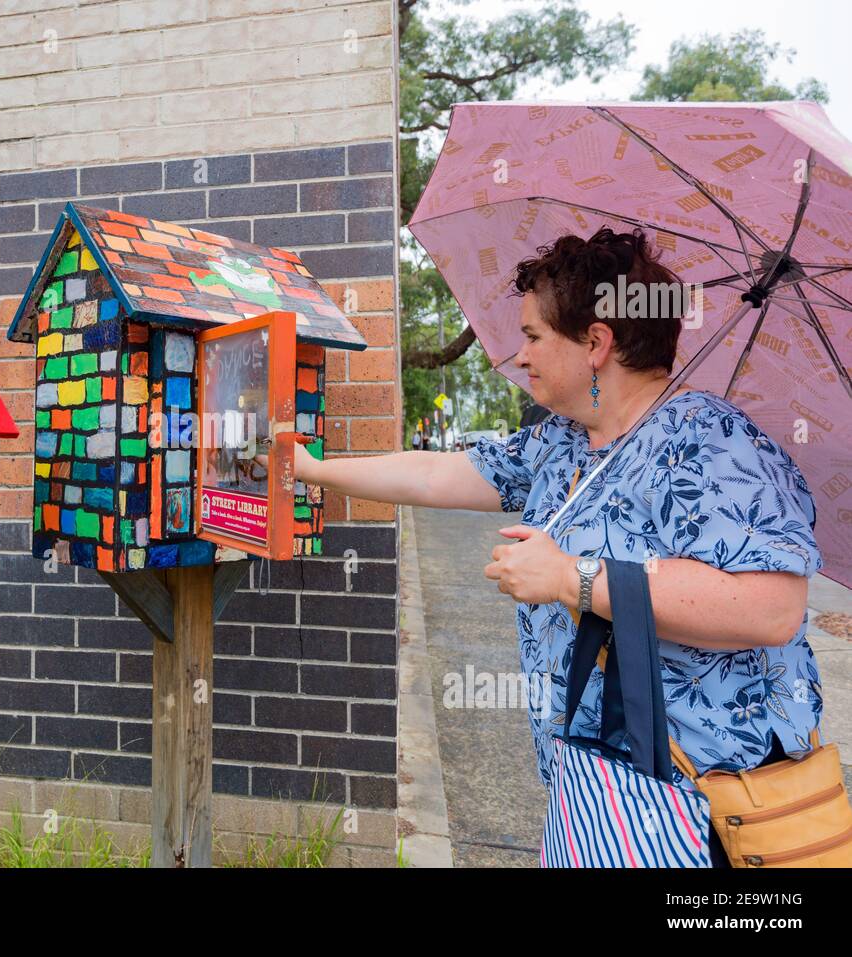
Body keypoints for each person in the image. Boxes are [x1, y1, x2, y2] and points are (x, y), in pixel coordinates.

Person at [282, 227, 824, 867]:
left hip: (705, 815)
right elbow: (437, 474)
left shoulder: (714, 444)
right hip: (602, 799)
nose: (520, 355)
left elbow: (769, 609)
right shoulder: (565, 441)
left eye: (534, 336)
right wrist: (313, 469)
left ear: (596, 343)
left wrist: (573, 578)